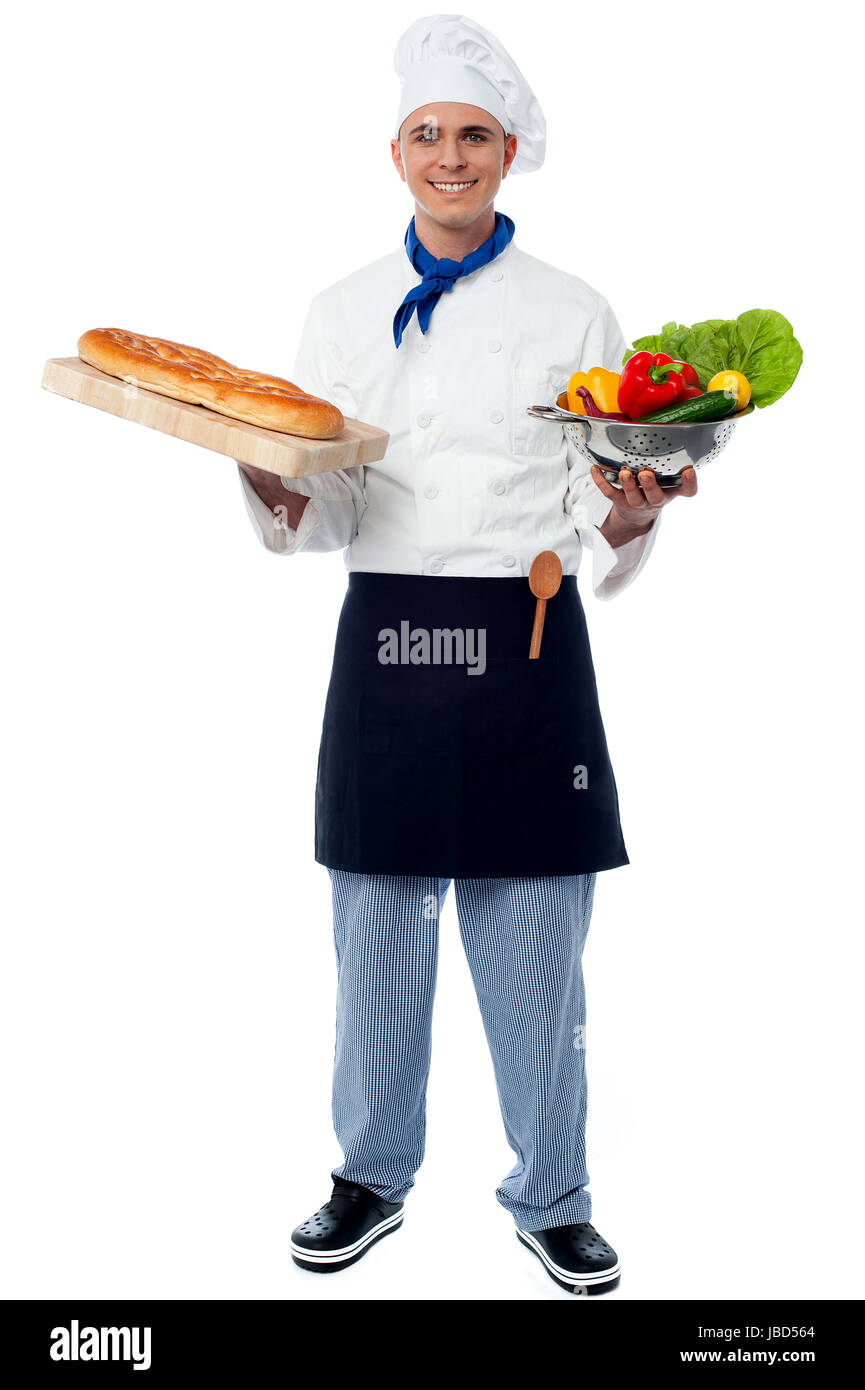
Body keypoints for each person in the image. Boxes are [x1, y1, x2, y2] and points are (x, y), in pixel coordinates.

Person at [236, 13, 697, 1297]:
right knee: (376, 934)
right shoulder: (338, 309)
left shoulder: (574, 307)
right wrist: (264, 479)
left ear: (508, 155)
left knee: (538, 940)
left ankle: (552, 1196)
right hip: (386, 635)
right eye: (428, 135)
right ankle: (370, 1178)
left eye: (474, 137)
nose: (451, 157)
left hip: (529, 635)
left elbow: (605, 485)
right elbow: (320, 505)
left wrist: (632, 508)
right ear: (396, 153)